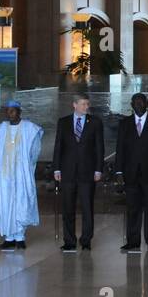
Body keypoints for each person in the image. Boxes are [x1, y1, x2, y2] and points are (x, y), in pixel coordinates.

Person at [51, 93, 104, 253]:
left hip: (87, 172)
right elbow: (58, 146)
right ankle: (69, 240)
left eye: (87, 104)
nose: (86, 107)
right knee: (68, 207)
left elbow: (99, 148)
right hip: (67, 171)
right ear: (74, 105)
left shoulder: (95, 122)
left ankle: (86, 240)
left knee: (87, 207)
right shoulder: (64, 122)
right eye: (83, 104)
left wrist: (98, 169)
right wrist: (56, 168)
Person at [115, 92, 148, 253]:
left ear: (147, 104)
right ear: (131, 105)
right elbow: (120, 149)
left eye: (142, 102)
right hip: (130, 173)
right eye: (136, 102)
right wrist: (118, 171)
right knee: (132, 208)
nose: (139, 105)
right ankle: (133, 241)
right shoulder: (125, 123)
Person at [0, 100, 43, 251]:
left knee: (21, 202)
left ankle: (20, 237)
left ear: (19, 112)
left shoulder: (29, 128)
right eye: (7, 111)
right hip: (4, 175)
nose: (10, 114)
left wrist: (28, 165)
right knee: (5, 202)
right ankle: (8, 237)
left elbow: (35, 148)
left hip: (21, 173)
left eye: (13, 111)